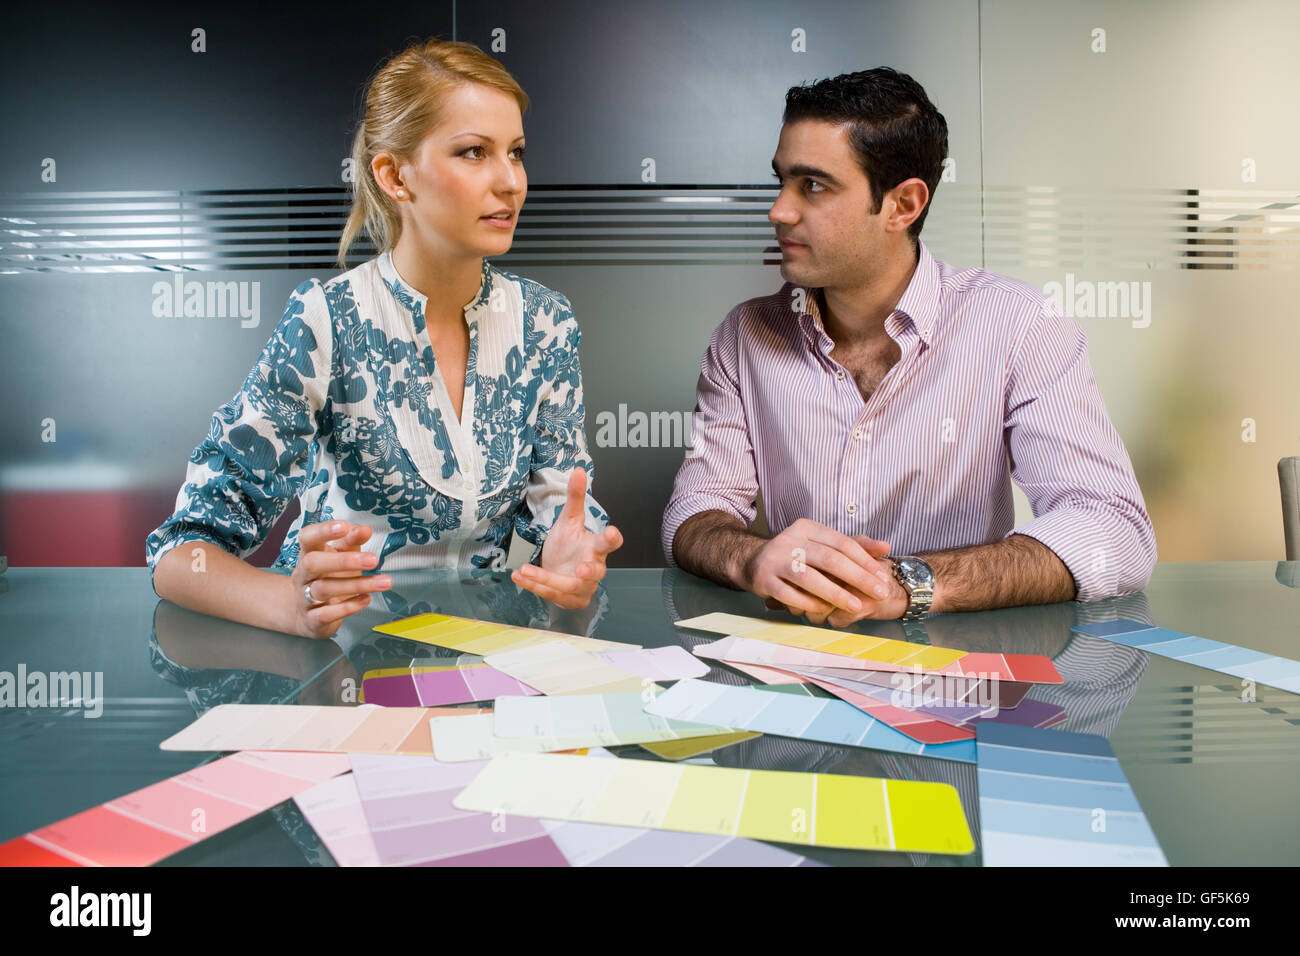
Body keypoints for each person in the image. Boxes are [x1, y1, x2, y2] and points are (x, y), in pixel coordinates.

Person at [148, 39, 622, 639]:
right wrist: (287, 606)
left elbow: (563, 511)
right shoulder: (326, 321)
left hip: (487, 675)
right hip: (344, 675)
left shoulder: (545, 323)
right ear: (395, 175)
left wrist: (569, 558)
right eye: (474, 152)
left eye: (517, 153)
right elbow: (180, 552)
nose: (511, 182)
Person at [663, 68, 1156, 627]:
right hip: (798, 662)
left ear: (903, 205)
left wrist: (906, 584)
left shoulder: (1020, 325)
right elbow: (694, 514)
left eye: (814, 186)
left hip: (960, 668)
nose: (779, 210)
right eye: (781, 181)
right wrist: (752, 558)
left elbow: (1112, 531)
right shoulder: (743, 337)